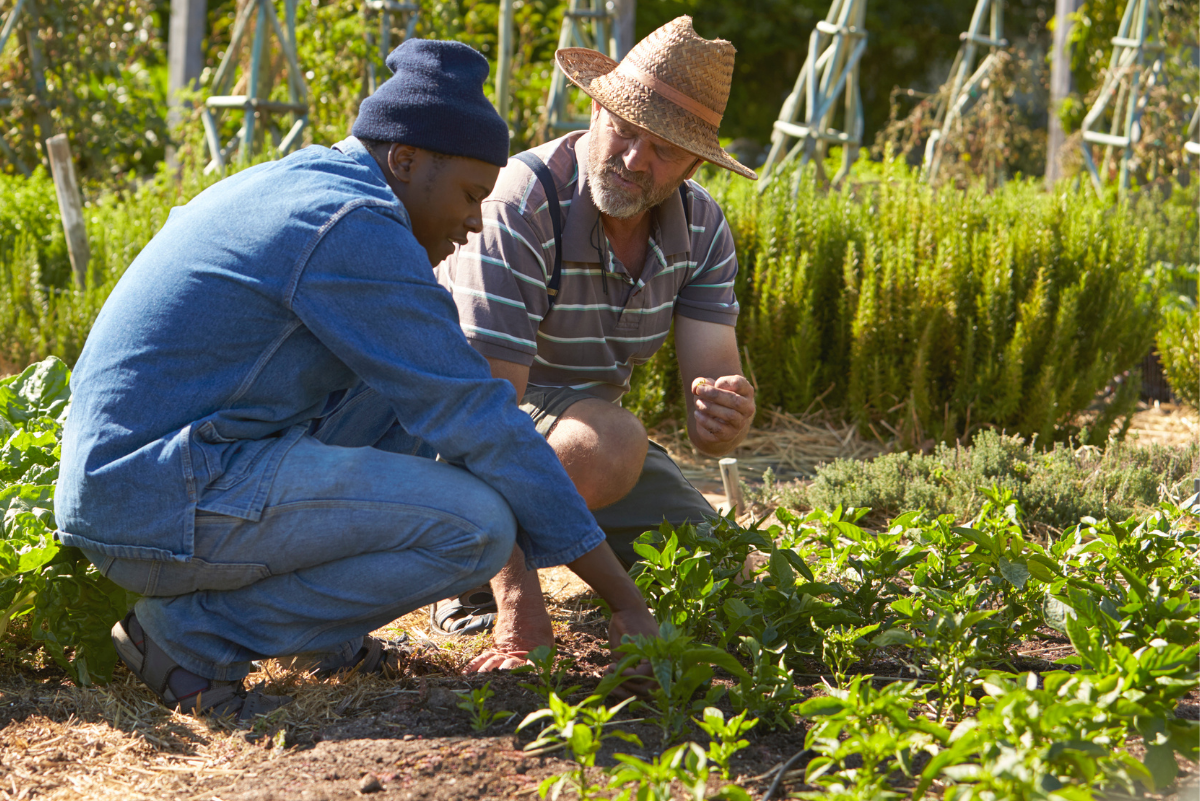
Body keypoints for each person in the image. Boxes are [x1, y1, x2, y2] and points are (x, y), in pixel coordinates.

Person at [54, 39, 659, 722]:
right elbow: (481, 420)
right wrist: (624, 599)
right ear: (404, 161)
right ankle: (191, 638)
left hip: (157, 474)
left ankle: (325, 637)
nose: (472, 221)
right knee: (475, 530)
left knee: (407, 381)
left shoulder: (320, 184)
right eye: (467, 194)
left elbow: (446, 390)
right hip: (151, 496)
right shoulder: (352, 226)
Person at [433, 17, 758, 671]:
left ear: (697, 164)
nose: (637, 158)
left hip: (577, 444)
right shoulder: (524, 203)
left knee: (719, 570)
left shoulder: (701, 227)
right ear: (597, 106)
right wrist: (522, 606)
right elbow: (479, 420)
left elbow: (712, 416)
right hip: (454, 439)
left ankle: (525, 539)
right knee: (608, 441)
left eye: (665, 149)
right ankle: (472, 572)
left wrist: (724, 415)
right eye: (627, 130)